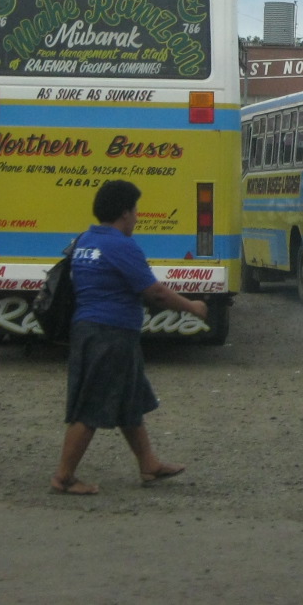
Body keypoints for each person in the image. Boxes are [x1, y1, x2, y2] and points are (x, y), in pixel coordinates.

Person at [51, 180, 210, 495]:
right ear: (125, 212)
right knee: (91, 406)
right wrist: (192, 307)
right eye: (136, 210)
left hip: (90, 329)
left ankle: (149, 464)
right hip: (109, 334)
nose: (137, 216)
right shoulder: (121, 246)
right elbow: (156, 293)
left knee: (129, 399)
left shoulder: (86, 240)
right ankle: (64, 476)